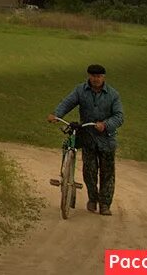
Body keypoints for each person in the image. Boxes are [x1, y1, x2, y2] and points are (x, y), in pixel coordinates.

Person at [47, 64, 124, 216]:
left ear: (104, 77)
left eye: (99, 76)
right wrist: (57, 115)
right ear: (89, 76)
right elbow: (67, 102)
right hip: (88, 136)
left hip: (107, 140)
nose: (96, 79)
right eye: (93, 76)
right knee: (89, 171)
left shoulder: (113, 95)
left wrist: (106, 124)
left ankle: (105, 204)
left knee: (107, 173)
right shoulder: (80, 90)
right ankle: (92, 199)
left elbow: (119, 116)